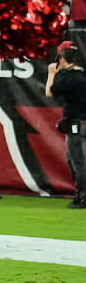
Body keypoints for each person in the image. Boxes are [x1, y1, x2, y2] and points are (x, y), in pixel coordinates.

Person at [48, 41, 86, 208]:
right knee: (72, 159)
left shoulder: (70, 79)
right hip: (80, 122)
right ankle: (81, 194)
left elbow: (49, 92)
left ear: (62, 59)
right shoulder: (82, 74)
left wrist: (51, 73)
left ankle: (83, 197)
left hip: (76, 123)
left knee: (76, 161)